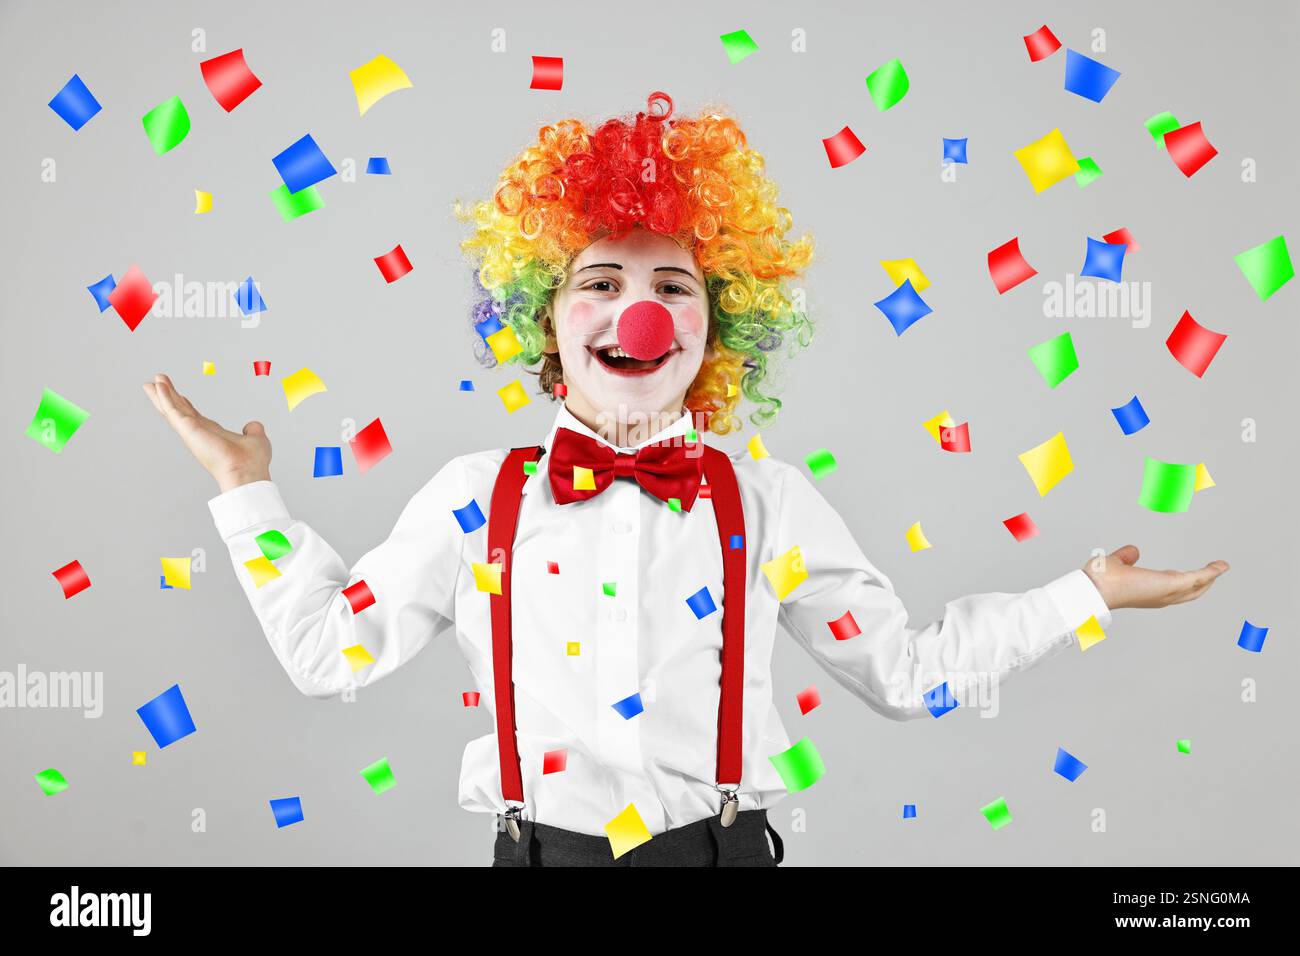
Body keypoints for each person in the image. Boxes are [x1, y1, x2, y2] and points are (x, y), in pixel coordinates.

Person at [142, 92, 1229, 867]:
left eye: (674, 285)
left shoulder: (766, 499)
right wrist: (247, 492)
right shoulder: (478, 495)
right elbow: (331, 654)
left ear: (717, 331)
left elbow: (905, 672)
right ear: (543, 317)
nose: (638, 311)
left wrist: (1086, 591)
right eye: (599, 281)